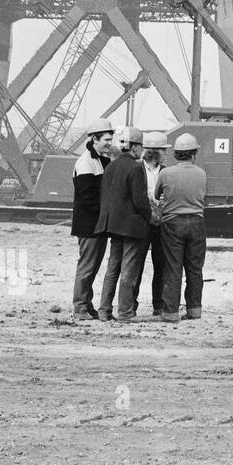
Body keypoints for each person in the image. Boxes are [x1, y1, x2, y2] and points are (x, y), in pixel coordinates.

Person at [95, 127, 153, 323]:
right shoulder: (136, 167)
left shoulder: (110, 167)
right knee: (128, 271)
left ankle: (104, 311)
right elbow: (140, 200)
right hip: (131, 227)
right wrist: (150, 217)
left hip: (113, 225)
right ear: (135, 148)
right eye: (141, 146)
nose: (142, 150)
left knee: (112, 269)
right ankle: (126, 313)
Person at [156, 132, 207, 321]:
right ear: (194, 153)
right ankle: (195, 310)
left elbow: (156, 195)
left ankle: (170, 312)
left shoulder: (166, 173)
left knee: (173, 268)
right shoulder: (201, 173)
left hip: (172, 223)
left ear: (176, 153)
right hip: (196, 222)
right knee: (195, 269)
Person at [70, 117, 115, 322]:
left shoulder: (101, 160)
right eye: (106, 138)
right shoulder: (86, 162)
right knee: (87, 267)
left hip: (98, 225)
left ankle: (86, 305)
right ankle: (79, 308)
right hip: (89, 225)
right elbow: (86, 198)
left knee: (92, 267)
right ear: (94, 139)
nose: (110, 142)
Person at [140, 132, 169, 316]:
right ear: (154, 152)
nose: (166, 153)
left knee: (161, 267)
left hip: (160, 224)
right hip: (142, 223)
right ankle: (131, 306)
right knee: (137, 265)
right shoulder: (137, 169)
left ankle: (158, 306)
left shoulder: (166, 171)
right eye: (163, 150)